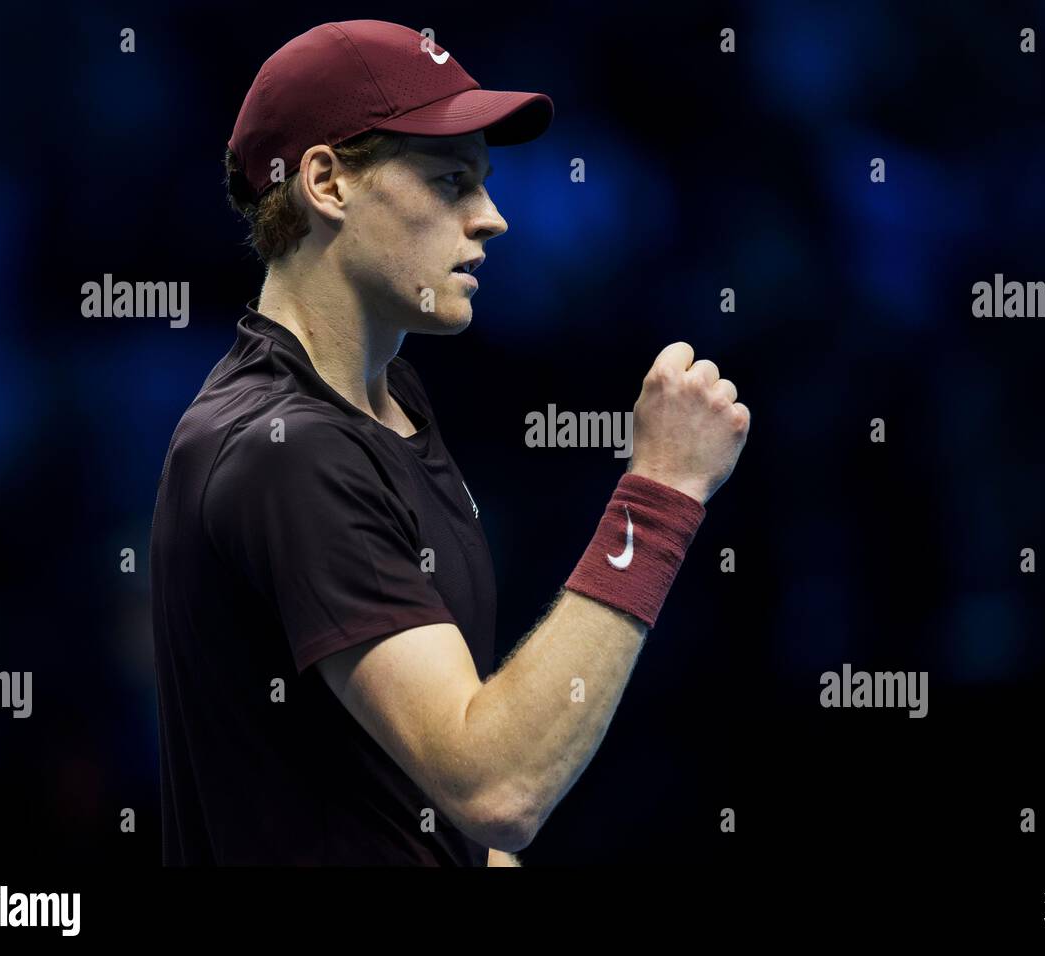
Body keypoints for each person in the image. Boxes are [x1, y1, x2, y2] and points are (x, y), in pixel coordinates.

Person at [150, 19, 749, 866]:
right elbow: (494, 787)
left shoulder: (392, 404)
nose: (493, 219)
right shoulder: (286, 450)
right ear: (326, 182)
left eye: (486, 183)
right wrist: (661, 495)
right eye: (449, 182)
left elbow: (436, 808)